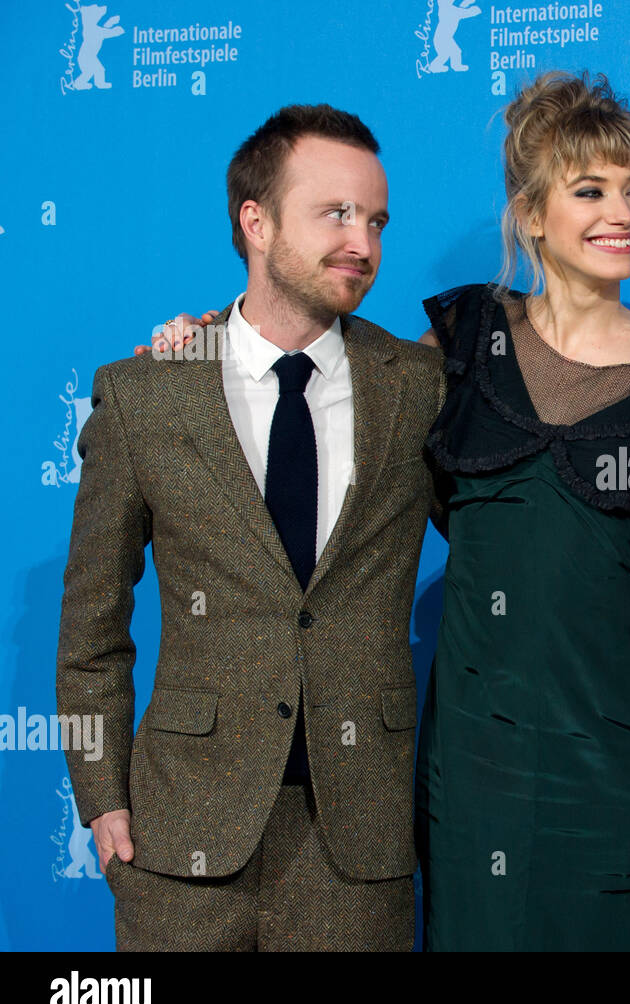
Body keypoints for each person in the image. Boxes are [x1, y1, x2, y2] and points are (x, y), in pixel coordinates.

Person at [56, 104, 445, 951]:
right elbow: (91, 622)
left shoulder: (418, 387)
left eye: (376, 220)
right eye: (335, 213)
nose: (364, 243)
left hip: (358, 843)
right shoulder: (148, 392)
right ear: (256, 221)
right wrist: (101, 792)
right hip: (179, 838)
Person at [414, 71, 630, 951]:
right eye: (589, 190)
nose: (624, 212)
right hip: (475, 759)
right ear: (532, 214)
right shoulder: (465, 338)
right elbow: (332, 392)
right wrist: (208, 334)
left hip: (614, 749)